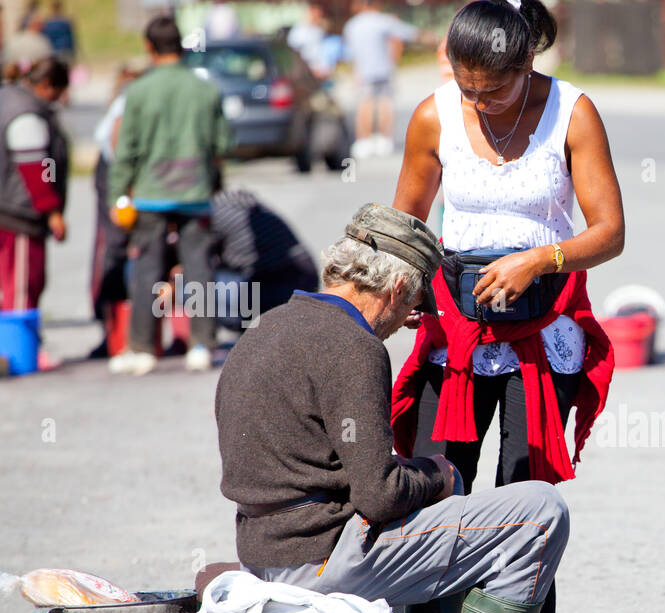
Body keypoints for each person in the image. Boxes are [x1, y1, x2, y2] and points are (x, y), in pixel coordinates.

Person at [215, 202, 581, 613]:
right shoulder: (353, 346)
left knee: (440, 510)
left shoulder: (270, 327)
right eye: (411, 303)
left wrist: (424, 481)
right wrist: (442, 474)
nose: (407, 320)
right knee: (539, 511)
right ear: (391, 292)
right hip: (321, 559)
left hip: (267, 551)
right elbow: (380, 494)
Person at [388, 0, 622, 613]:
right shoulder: (432, 116)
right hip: (453, 338)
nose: (478, 103)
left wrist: (540, 257)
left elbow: (609, 230)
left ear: (528, 66)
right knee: (435, 498)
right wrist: (394, 291)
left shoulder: (574, 114)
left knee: (525, 505)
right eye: (466, 88)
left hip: (538, 332)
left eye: (494, 88)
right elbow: (404, 222)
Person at [107, 14, 229, 376]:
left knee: (147, 269)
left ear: (148, 47)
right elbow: (223, 143)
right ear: (181, 46)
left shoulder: (139, 91)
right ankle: (201, 345)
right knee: (199, 269)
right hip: (195, 192)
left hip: (150, 194)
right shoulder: (205, 88)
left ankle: (144, 349)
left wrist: (117, 194)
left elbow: (125, 149)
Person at [0, 56, 67, 371]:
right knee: (22, 284)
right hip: (19, 212)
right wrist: (51, 210)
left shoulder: (7, 97)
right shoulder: (27, 112)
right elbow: (36, 166)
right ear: (47, 86)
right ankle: (17, 353)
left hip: (7, 208)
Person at [86, 58, 146, 359]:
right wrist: (125, 196)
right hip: (115, 183)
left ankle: (124, 332)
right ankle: (112, 334)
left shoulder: (129, 98)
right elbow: (118, 150)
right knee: (113, 253)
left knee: (120, 253)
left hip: (118, 182)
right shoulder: (128, 104)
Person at [209, 187, 318, 331]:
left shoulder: (213, 213)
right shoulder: (238, 203)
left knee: (187, 286)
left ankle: (250, 327)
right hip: (304, 281)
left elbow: (201, 263)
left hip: (275, 287)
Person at [343, 0, 431, 157]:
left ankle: (364, 140)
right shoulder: (383, 21)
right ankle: (384, 139)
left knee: (365, 105)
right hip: (383, 69)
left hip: (363, 72)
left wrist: (354, 73)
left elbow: (350, 53)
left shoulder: (352, 25)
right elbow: (409, 33)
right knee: (385, 104)